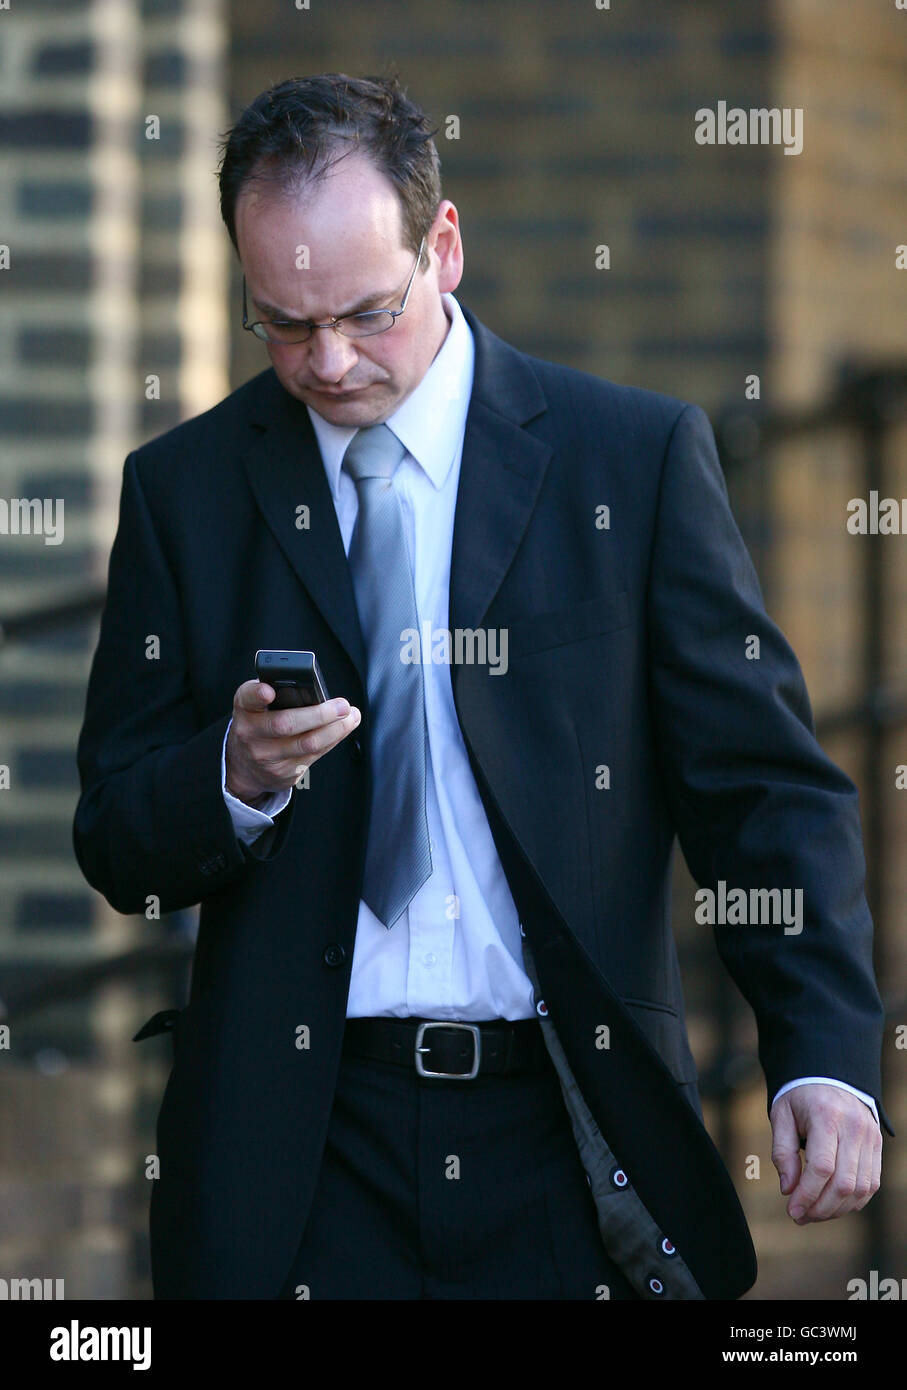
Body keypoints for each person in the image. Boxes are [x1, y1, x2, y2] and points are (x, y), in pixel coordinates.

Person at [72, 73, 890, 1301]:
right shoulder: (182, 493)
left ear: (443, 247)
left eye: (363, 311)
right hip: (299, 1155)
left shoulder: (631, 459)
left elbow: (762, 788)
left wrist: (821, 1055)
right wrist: (232, 779)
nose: (328, 361)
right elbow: (114, 835)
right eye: (284, 326)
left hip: (567, 1129)